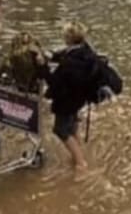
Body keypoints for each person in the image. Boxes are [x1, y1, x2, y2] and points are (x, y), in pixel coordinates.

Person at [43, 22, 96, 180]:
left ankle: (81, 162)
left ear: (68, 39)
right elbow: (66, 54)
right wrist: (53, 56)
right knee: (72, 127)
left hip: (67, 101)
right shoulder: (86, 51)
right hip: (79, 97)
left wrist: (43, 67)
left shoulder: (68, 64)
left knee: (60, 130)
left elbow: (54, 82)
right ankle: (78, 153)